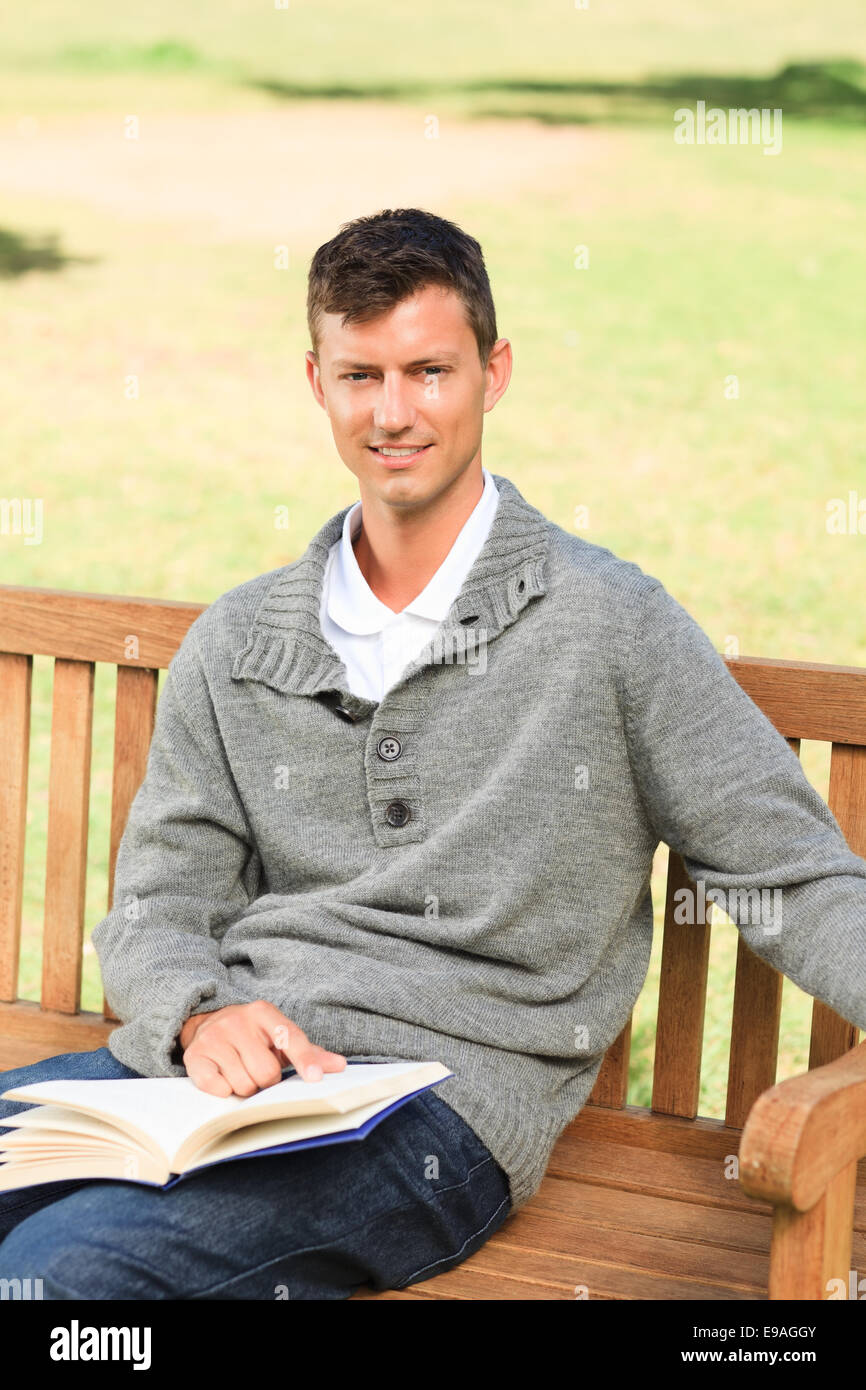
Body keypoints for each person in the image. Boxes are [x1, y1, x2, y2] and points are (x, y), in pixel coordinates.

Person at [1, 207, 865, 1300]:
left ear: (492, 374)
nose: (393, 412)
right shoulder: (241, 638)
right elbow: (156, 907)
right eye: (360, 376)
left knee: (57, 1278)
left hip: (438, 1115)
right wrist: (199, 1013)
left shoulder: (607, 625)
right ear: (316, 383)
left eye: (429, 371)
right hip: (210, 1084)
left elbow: (791, 875)